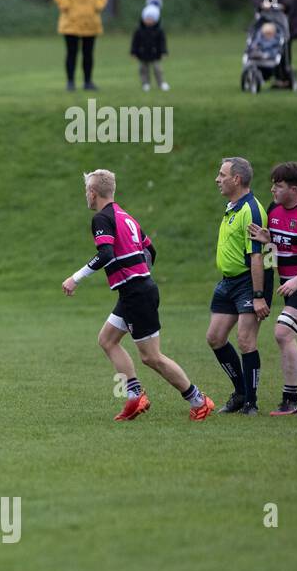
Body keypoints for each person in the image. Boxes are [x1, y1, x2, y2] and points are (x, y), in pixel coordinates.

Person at [61, 169, 214, 421]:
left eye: (86, 191)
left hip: (136, 293)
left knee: (152, 357)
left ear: (92, 192)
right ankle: (135, 396)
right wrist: (140, 276)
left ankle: (198, 400)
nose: (86, 196)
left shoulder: (102, 218)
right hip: (135, 291)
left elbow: (106, 254)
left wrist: (75, 278)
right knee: (107, 340)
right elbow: (150, 250)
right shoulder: (125, 216)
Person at [246, 162, 297, 415]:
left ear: (294, 188)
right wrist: (269, 244)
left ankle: (290, 401)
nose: (272, 190)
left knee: (282, 332)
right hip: (290, 287)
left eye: (278, 186)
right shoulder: (274, 209)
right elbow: (274, 253)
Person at [206, 157, 273, 415]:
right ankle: (241, 392)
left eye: (222, 174)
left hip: (249, 283)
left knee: (246, 341)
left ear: (237, 179)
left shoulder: (251, 210)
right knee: (215, 338)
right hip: (228, 282)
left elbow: (258, 256)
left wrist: (258, 296)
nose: (217, 179)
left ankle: (251, 403)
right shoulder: (232, 205)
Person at [53, 0, 108, 91]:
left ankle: (88, 82)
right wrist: (67, 6)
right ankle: (70, 82)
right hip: (70, 21)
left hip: (91, 21)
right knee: (71, 53)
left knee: (88, 54)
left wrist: (97, 6)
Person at [130, 0, 169, 91]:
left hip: (155, 54)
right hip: (142, 53)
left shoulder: (159, 31)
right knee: (143, 69)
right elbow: (135, 42)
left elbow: (162, 42)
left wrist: (163, 51)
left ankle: (161, 83)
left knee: (157, 69)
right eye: (147, 18)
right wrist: (134, 52)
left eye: (151, 19)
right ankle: (145, 84)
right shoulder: (139, 31)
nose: (149, 20)